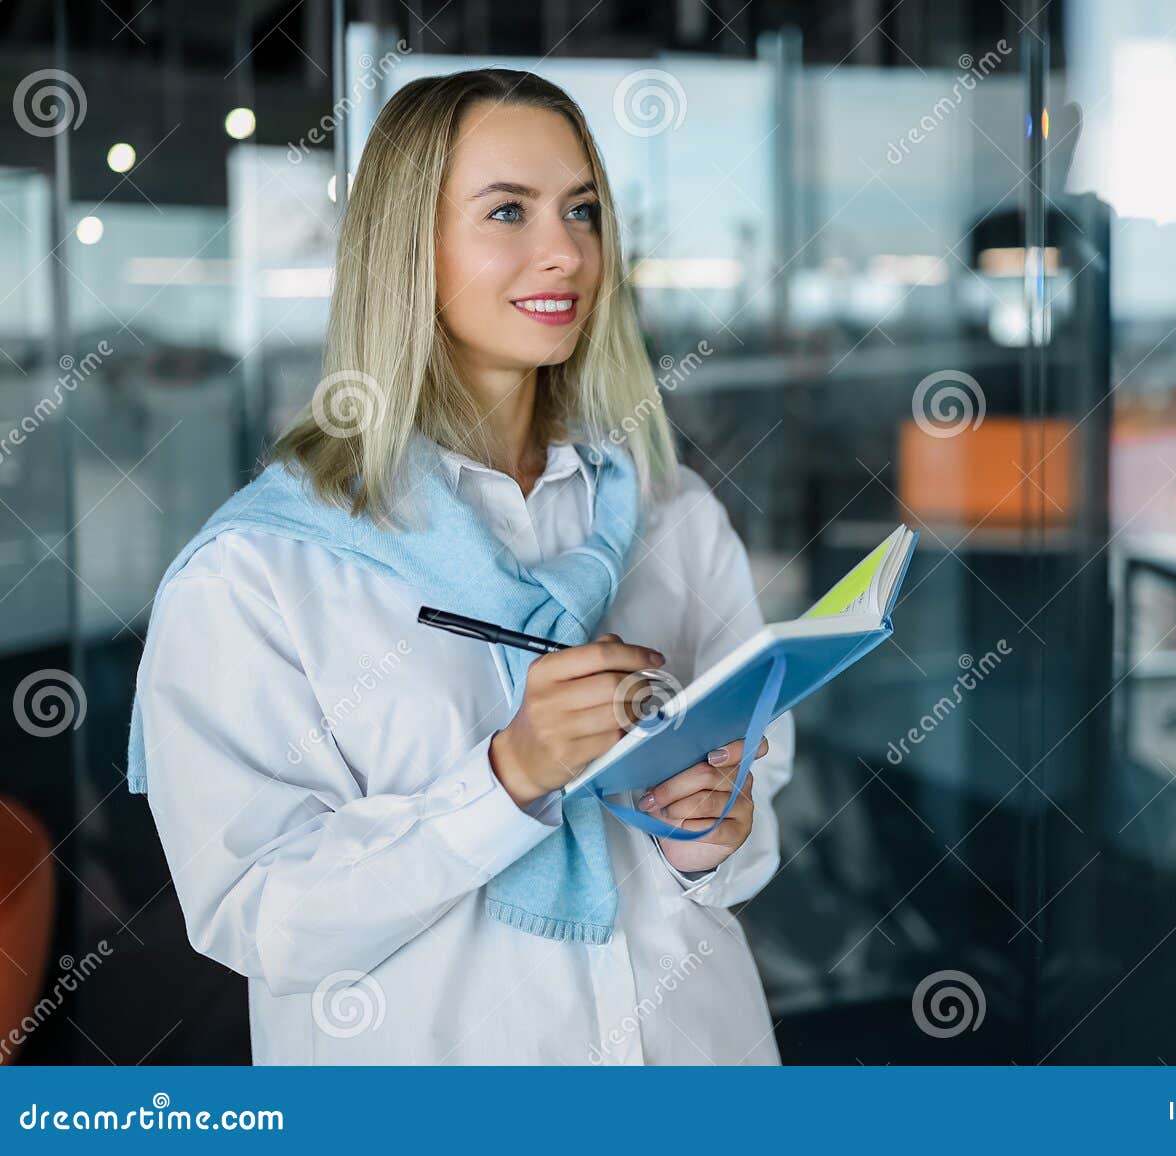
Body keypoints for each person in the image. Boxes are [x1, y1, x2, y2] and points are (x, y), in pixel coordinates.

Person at [130, 68, 793, 1064]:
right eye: (507, 211)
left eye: (581, 210)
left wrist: (712, 836)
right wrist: (508, 776)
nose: (564, 251)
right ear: (409, 250)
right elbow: (258, 916)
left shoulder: (672, 515)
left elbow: (750, 814)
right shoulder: (257, 572)